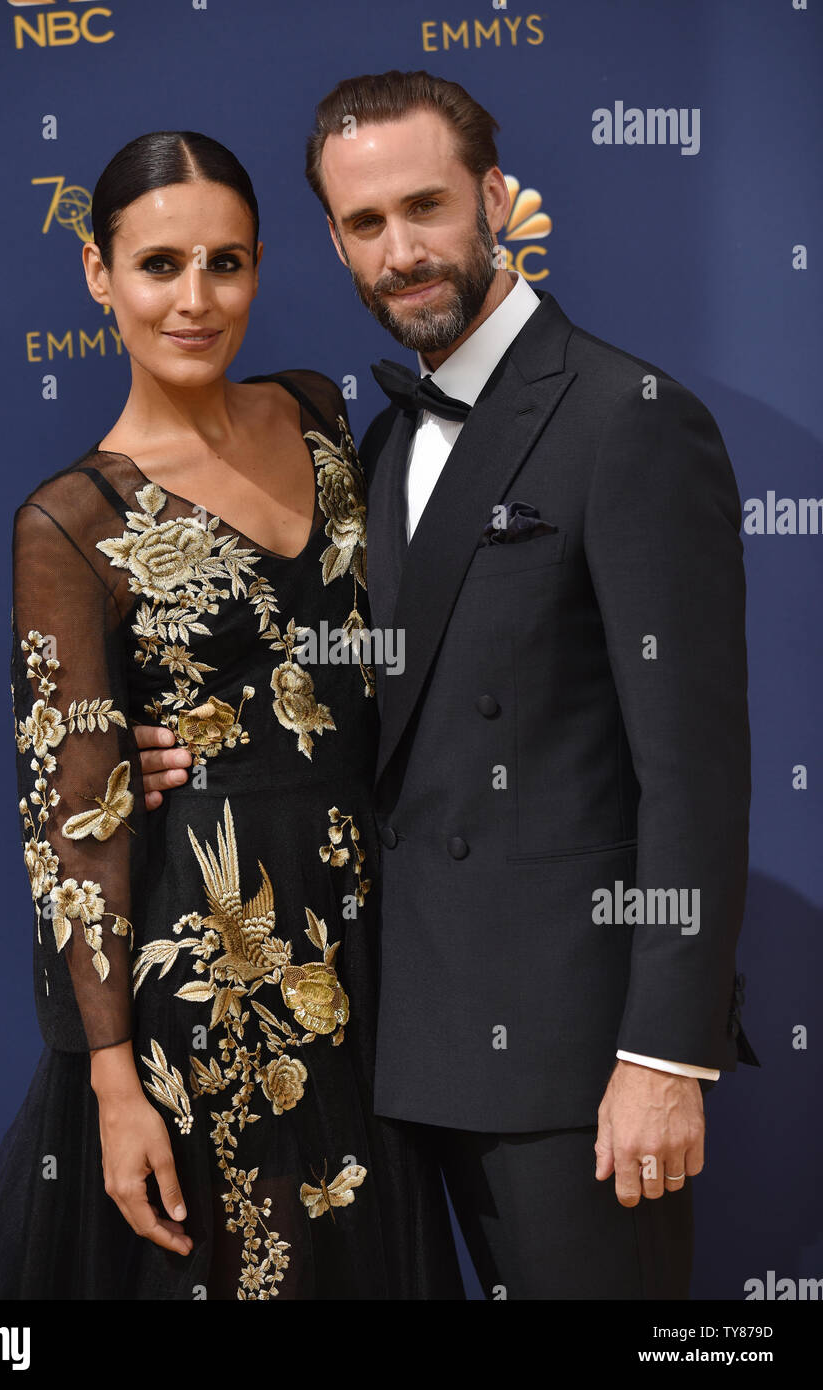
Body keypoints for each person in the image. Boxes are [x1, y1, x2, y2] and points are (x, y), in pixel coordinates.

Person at [137, 73, 758, 1300]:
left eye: (425, 206)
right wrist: (203, 741)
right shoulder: (372, 446)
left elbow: (692, 771)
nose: (402, 251)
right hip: (387, 1045)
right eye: (364, 225)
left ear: (493, 196)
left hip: (577, 1069)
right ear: (331, 238)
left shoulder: (627, 419)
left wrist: (662, 1055)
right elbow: (385, 697)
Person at [0, 129, 462, 1301]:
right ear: (98, 275)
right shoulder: (69, 522)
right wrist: (112, 1085)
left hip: (371, 946)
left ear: (261, 268)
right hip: (209, 971)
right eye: (159, 265)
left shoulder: (317, 413)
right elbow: (73, 837)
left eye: (225, 264)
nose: (195, 299)